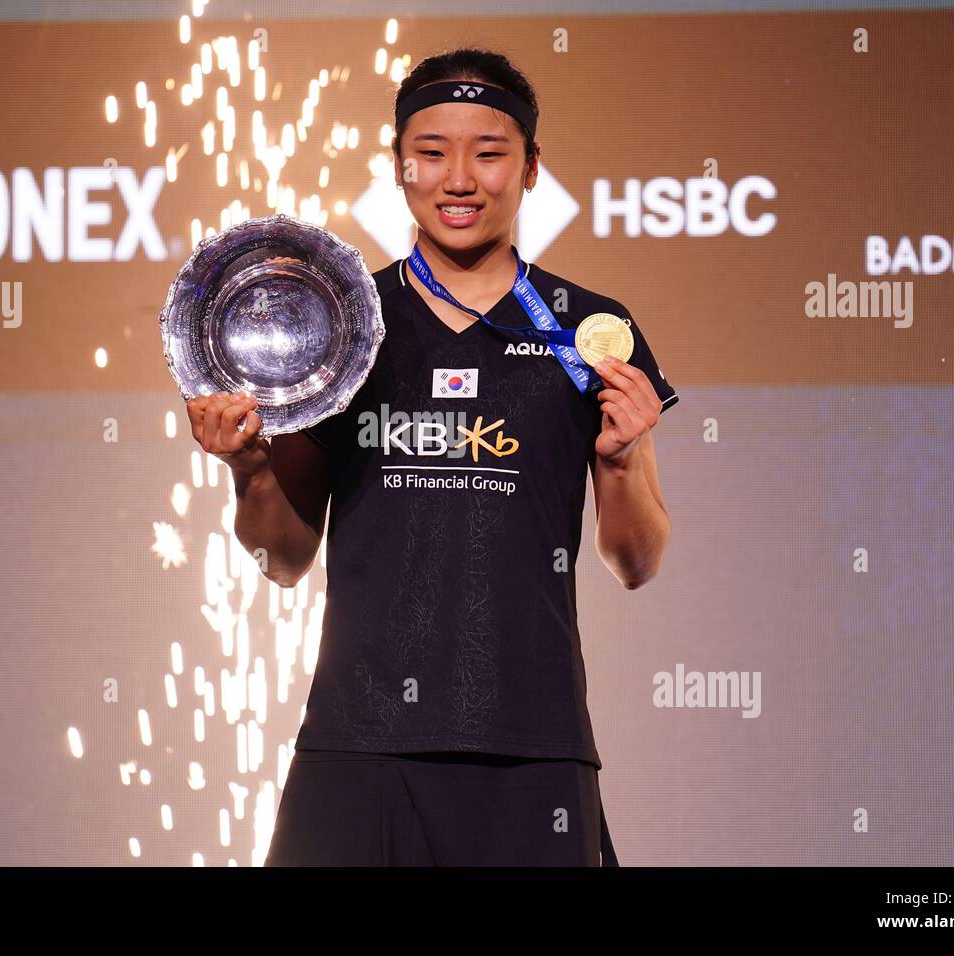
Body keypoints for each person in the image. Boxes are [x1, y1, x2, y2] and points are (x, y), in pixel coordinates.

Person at [187, 48, 678, 866]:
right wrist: (249, 468)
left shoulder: (586, 331)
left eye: (489, 152)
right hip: (359, 742)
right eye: (431, 151)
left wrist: (624, 460)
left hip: (532, 743)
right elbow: (283, 558)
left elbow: (638, 561)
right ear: (397, 167)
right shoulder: (340, 326)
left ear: (529, 170)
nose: (459, 178)